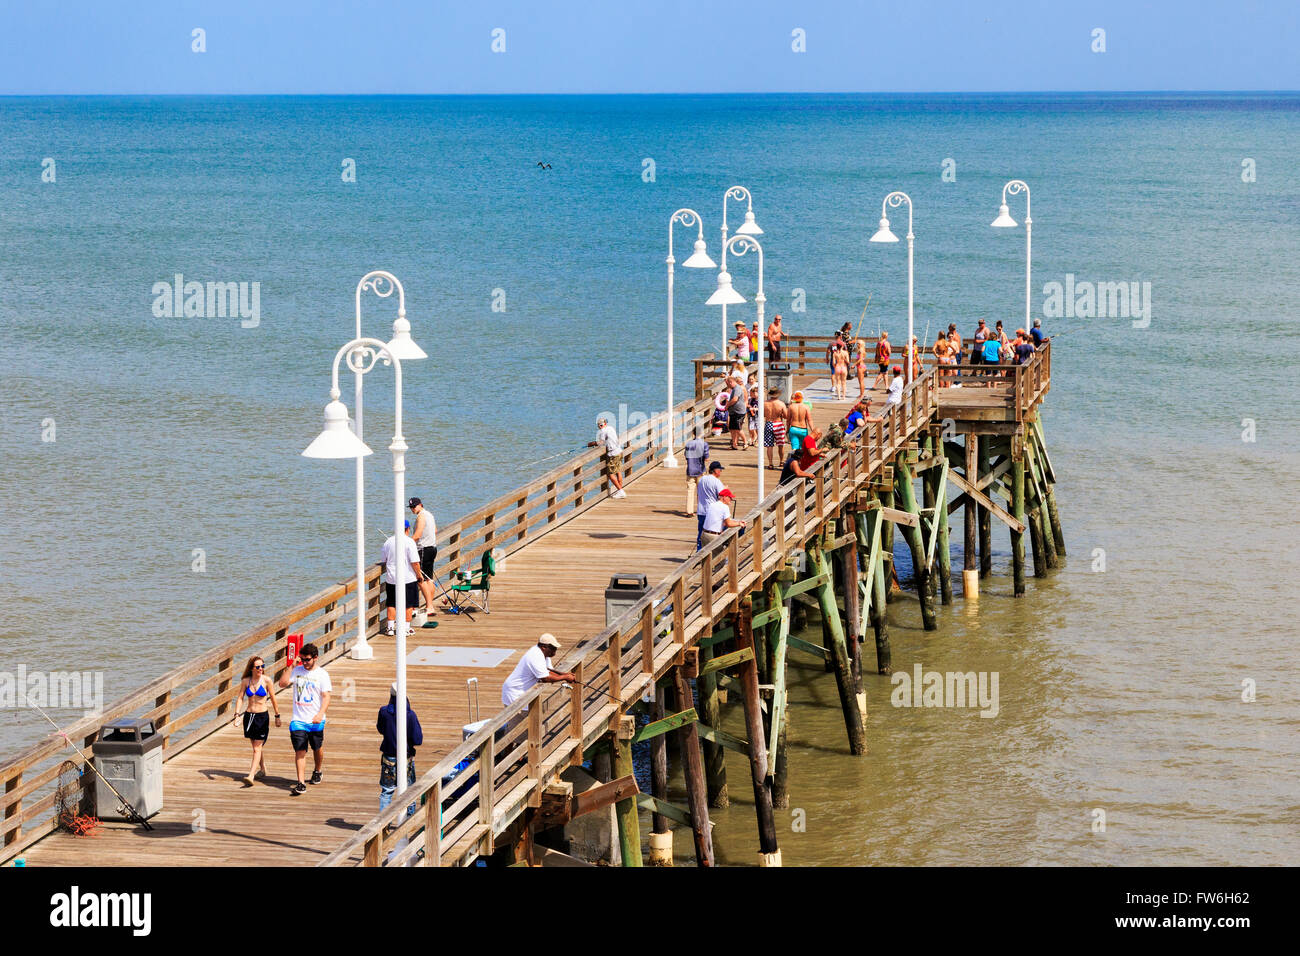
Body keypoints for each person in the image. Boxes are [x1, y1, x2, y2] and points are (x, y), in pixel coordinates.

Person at [278, 642, 331, 794]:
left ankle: (317, 770)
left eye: (307, 659)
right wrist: (291, 666)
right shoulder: (297, 670)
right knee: (300, 750)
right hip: (298, 719)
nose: (304, 663)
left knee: (316, 747)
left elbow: (326, 696)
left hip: (315, 719)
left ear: (315, 658)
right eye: (302, 659)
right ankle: (301, 782)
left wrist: (320, 713)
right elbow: (282, 684)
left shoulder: (322, 674)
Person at [233, 654, 281, 787]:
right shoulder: (245, 681)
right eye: (258, 667)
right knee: (256, 746)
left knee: (257, 748)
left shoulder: (266, 680)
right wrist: (237, 715)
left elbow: (273, 698)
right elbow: (240, 698)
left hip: (262, 717)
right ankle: (263, 769)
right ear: (251, 668)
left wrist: (277, 716)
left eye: (262, 666)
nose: (261, 669)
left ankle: (251, 775)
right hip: (249, 717)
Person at [377, 682, 423, 818]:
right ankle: (409, 820)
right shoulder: (410, 715)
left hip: (389, 756)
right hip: (406, 757)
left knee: (387, 791)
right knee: (409, 790)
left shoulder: (384, 712)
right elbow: (417, 739)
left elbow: (380, 728)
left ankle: (383, 823)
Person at [501, 634, 577, 709]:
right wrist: (565, 677)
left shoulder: (545, 654)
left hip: (525, 692)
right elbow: (545, 678)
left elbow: (549, 671)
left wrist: (565, 674)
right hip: (515, 692)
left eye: (556, 648)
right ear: (543, 647)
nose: (555, 651)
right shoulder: (535, 656)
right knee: (525, 719)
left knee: (528, 718)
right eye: (553, 648)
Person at [380, 522, 422, 636]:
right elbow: (415, 562)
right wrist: (419, 575)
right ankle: (405, 628)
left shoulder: (388, 542)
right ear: (407, 529)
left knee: (392, 603)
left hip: (392, 578)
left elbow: (384, 560)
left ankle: (390, 628)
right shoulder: (409, 542)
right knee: (408, 604)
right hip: (408, 578)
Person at [408, 497, 439, 626]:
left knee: (420, 578)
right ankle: (429, 606)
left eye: (414, 506)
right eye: (411, 507)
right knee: (429, 578)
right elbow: (435, 530)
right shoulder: (430, 514)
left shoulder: (421, 516)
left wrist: (407, 542)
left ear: (420, 505)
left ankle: (430, 606)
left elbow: (418, 534)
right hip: (432, 548)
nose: (412, 509)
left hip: (423, 549)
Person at [588, 417, 626, 498]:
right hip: (619, 451)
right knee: (618, 471)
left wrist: (592, 443)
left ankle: (621, 491)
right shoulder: (611, 428)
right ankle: (619, 490)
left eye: (600, 425)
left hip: (613, 454)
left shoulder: (602, 431)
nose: (600, 426)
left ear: (601, 425)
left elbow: (601, 443)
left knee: (610, 474)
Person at [695, 461, 725, 548]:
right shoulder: (717, 482)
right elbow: (722, 496)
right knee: (712, 534)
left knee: (701, 533)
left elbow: (698, 494)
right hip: (711, 512)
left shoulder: (702, 479)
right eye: (720, 469)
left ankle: (699, 551)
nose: (721, 471)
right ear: (715, 470)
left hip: (701, 511)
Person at [683, 433, 710, 516]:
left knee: (690, 491)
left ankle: (689, 511)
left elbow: (686, 456)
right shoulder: (704, 444)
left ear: (693, 433)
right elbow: (706, 458)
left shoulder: (688, 444)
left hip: (690, 470)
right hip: (700, 471)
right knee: (701, 491)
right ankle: (701, 510)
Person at [763, 387, 788, 469]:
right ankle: (781, 461)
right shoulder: (781, 404)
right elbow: (786, 416)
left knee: (769, 445)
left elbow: (763, 414)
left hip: (768, 423)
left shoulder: (765, 403)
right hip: (778, 424)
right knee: (781, 444)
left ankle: (770, 463)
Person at [726, 375, 747, 450]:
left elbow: (735, 399)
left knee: (738, 428)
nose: (727, 386)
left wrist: (727, 405)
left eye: (727, 384)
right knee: (732, 429)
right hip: (733, 412)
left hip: (739, 412)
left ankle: (745, 443)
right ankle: (734, 445)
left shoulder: (737, 388)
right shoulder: (734, 389)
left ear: (730, 382)